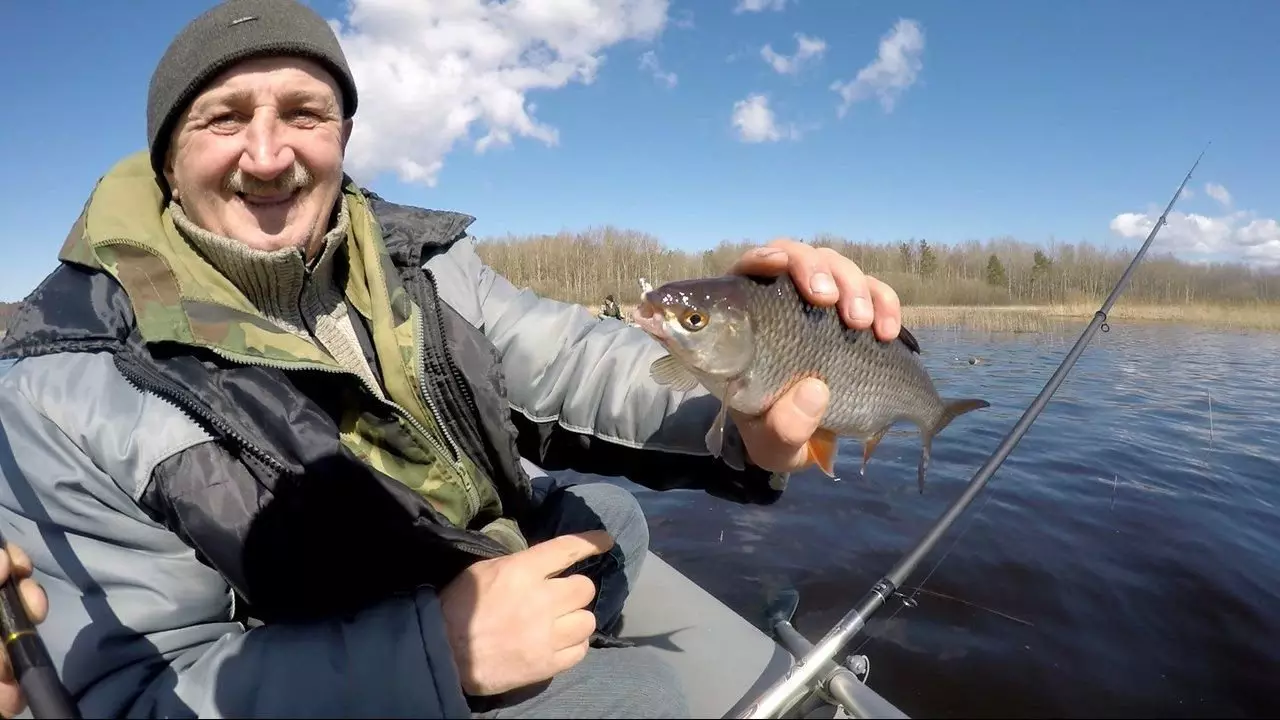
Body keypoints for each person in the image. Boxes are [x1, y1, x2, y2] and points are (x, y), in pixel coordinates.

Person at [0, 0, 904, 717]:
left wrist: (742, 408)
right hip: (353, 660)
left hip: (455, 567)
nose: (268, 154)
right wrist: (439, 654)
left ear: (343, 138)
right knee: (638, 700)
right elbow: (139, 693)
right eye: (223, 118)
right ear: (166, 158)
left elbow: (580, 362)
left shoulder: (418, 261)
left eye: (305, 114)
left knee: (611, 518)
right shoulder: (60, 379)